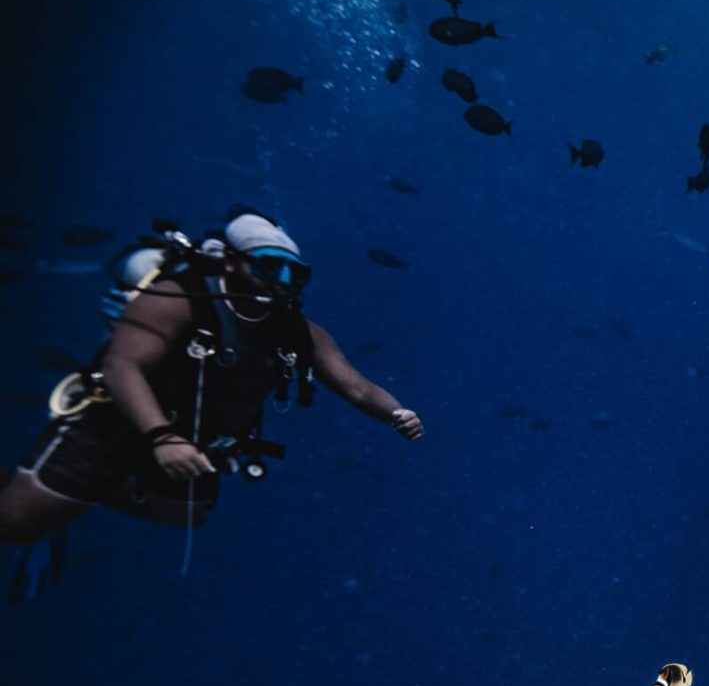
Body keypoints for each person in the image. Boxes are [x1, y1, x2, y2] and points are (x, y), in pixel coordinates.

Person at [1, 213, 423, 600]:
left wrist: (394, 413)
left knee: (181, 515)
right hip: (114, 424)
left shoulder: (297, 330)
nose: (283, 280)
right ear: (231, 262)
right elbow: (122, 366)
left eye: (296, 273)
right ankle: (44, 496)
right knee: (14, 521)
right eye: (270, 266)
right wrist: (161, 437)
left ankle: (68, 497)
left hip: (193, 442)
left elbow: (356, 387)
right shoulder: (178, 298)